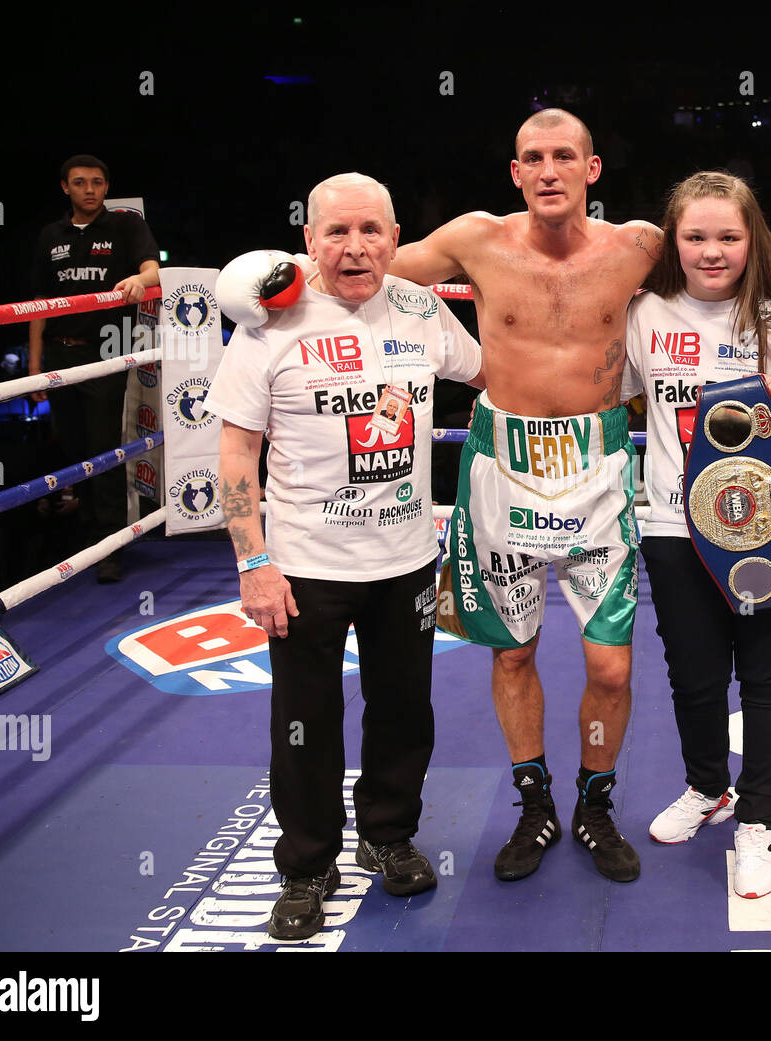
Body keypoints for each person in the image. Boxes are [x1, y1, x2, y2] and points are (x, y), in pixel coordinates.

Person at [380, 109, 663, 884]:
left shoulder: (637, 245)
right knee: (515, 651)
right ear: (515, 173)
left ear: (591, 169)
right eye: (532, 158)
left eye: (563, 156)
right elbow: (369, 263)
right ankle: (534, 803)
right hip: (500, 468)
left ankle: (595, 804)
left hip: (597, 468)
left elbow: (730, 255)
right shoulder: (475, 238)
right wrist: (267, 274)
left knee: (609, 666)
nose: (548, 170)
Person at [207, 174, 483, 940]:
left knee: (402, 711)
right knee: (304, 721)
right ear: (309, 239)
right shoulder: (270, 318)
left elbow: (493, 372)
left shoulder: (423, 308)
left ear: (397, 239)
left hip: (404, 559)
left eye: (370, 230)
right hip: (302, 566)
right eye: (337, 232)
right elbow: (236, 451)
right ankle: (305, 865)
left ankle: (389, 837)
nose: (354, 247)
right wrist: (252, 561)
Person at [623, 171, 771, 898]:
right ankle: (706, 788)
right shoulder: (646, 312)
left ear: (754, 240)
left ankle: (758, 819)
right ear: (674, 241)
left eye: (728, 235)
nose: (712, 251)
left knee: (767, 671)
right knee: (692, 671)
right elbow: (609, 392)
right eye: (696, 236)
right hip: (671, 521)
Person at [28, 154, 160, 582]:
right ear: (65, 187)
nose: (90, 189)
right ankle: (85, 539)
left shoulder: (124, 225)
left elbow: (152, 266)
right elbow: (37, 306)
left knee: (103, 448)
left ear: (106, 187)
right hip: (59, 356)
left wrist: (142, 279)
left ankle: (109, 544)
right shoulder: (51, 235)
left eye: (98, 182)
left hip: (105, 353)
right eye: (80, 182)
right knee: (73, 447)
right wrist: (34, 367)